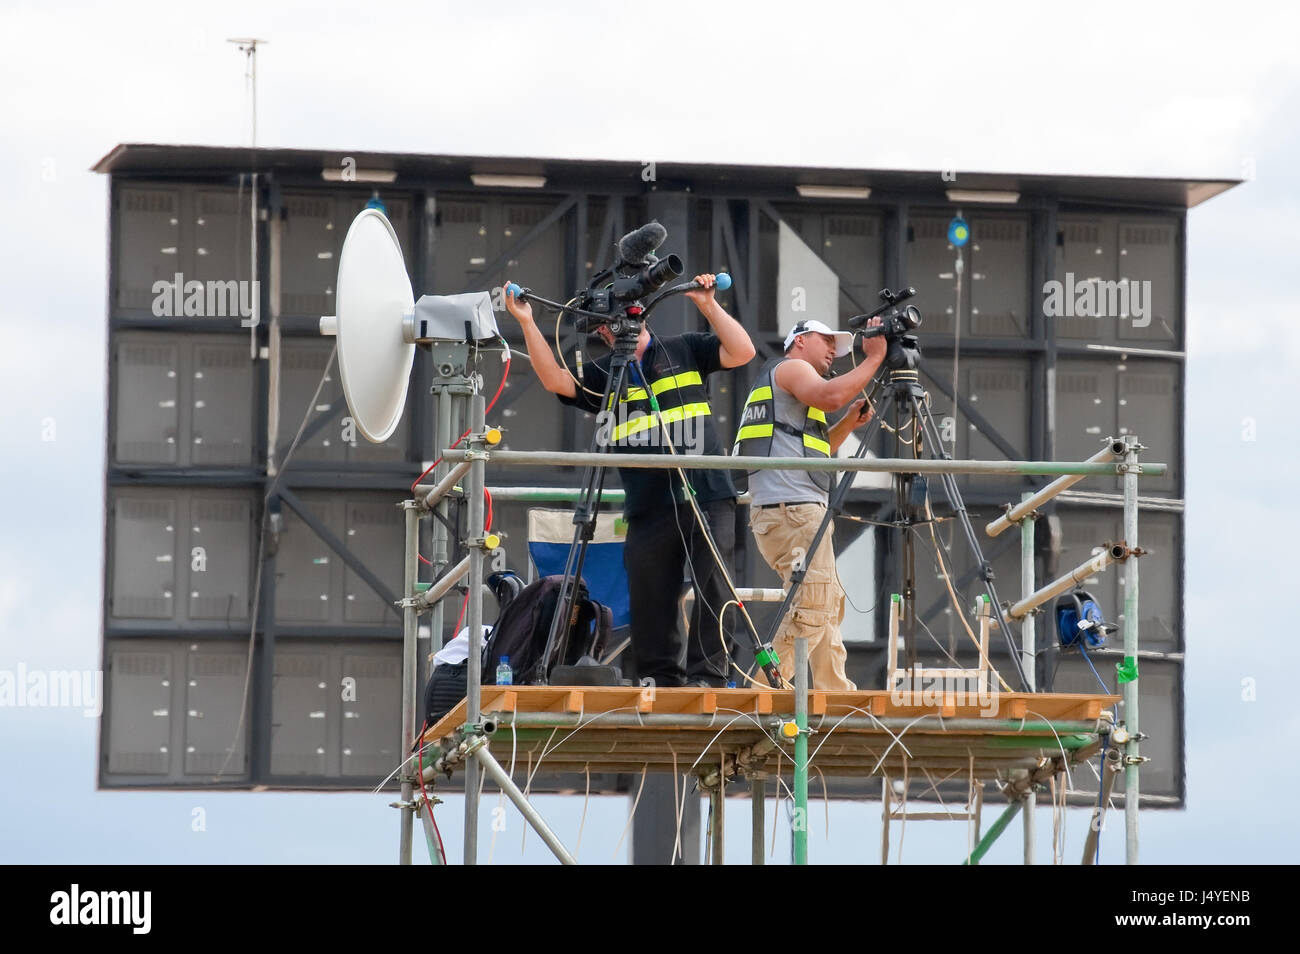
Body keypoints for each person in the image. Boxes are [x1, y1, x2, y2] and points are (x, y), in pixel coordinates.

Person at [502, 274, 756, 688]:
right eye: (602, 324)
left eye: (614, 320)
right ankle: (661, 679)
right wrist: (528, 322)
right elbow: (556, 381)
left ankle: (707, 677)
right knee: (650, 593)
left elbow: (742, 351)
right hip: (647, 503)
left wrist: (708, 305)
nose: (609, 329)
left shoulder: (685, 347)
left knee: (713, 586)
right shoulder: (606, 373)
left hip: (706, 493)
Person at [733, 318, 887, 690]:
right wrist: (875, 358)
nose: (833, 350)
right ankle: (763, 692)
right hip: (792, 511)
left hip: (789, 512)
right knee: (814, 605)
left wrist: (848, 423)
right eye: (826, 341)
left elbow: (812, 454)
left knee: (827, 602)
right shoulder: (792, 368)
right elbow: (832, 395)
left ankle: (834, 691)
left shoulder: (790, 394)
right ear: (800, 341)